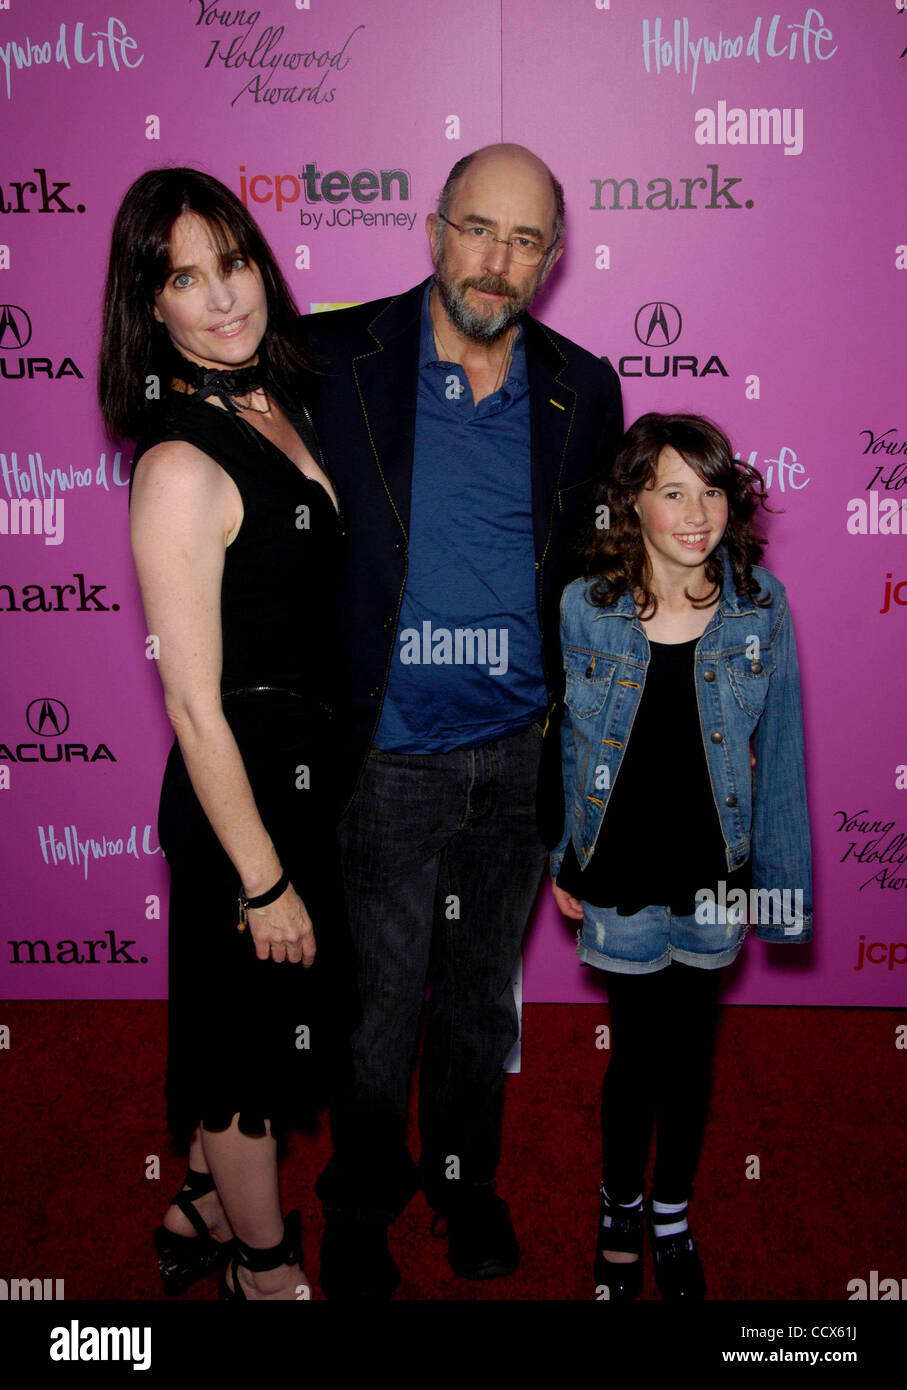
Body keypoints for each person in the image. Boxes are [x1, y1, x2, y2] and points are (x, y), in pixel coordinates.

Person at [298, 142, 623, 1299]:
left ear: (551, 258)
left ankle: (462, 1182)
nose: (495, 261)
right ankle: (359, 1203)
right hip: (388, 756)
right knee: (379, 1001)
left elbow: (591, 579)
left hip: (520, 753)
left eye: (525, 239)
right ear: (434, 230)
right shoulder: (337, 358)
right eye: (478, 229)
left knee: (483, 995)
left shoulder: (582, 387)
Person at [98, 167, 353, 1300]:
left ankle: (199, 1197)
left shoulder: (275, 401)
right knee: (246, 1061)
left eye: (233, 263)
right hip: (236, 805)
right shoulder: (179, 465)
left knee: (271, 1025)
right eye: (183, 279)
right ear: (149, 307)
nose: (221, 297)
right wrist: (261, 882)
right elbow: (193, 705)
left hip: (306, 783)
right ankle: (264, 1266)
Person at [550, 412, 812, 1300]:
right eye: (671, 491)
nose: (695, 512)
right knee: (634, 1057)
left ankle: (671, 1211)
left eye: (709, 489)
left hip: (714, 876)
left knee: (689, 1058)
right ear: (632, 502)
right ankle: (618, 1208)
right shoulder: (584, 606)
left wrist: (778, 893)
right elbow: (564, 746)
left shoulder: (758, 602)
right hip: (618, 872)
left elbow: (779, 755)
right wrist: (563, 859)